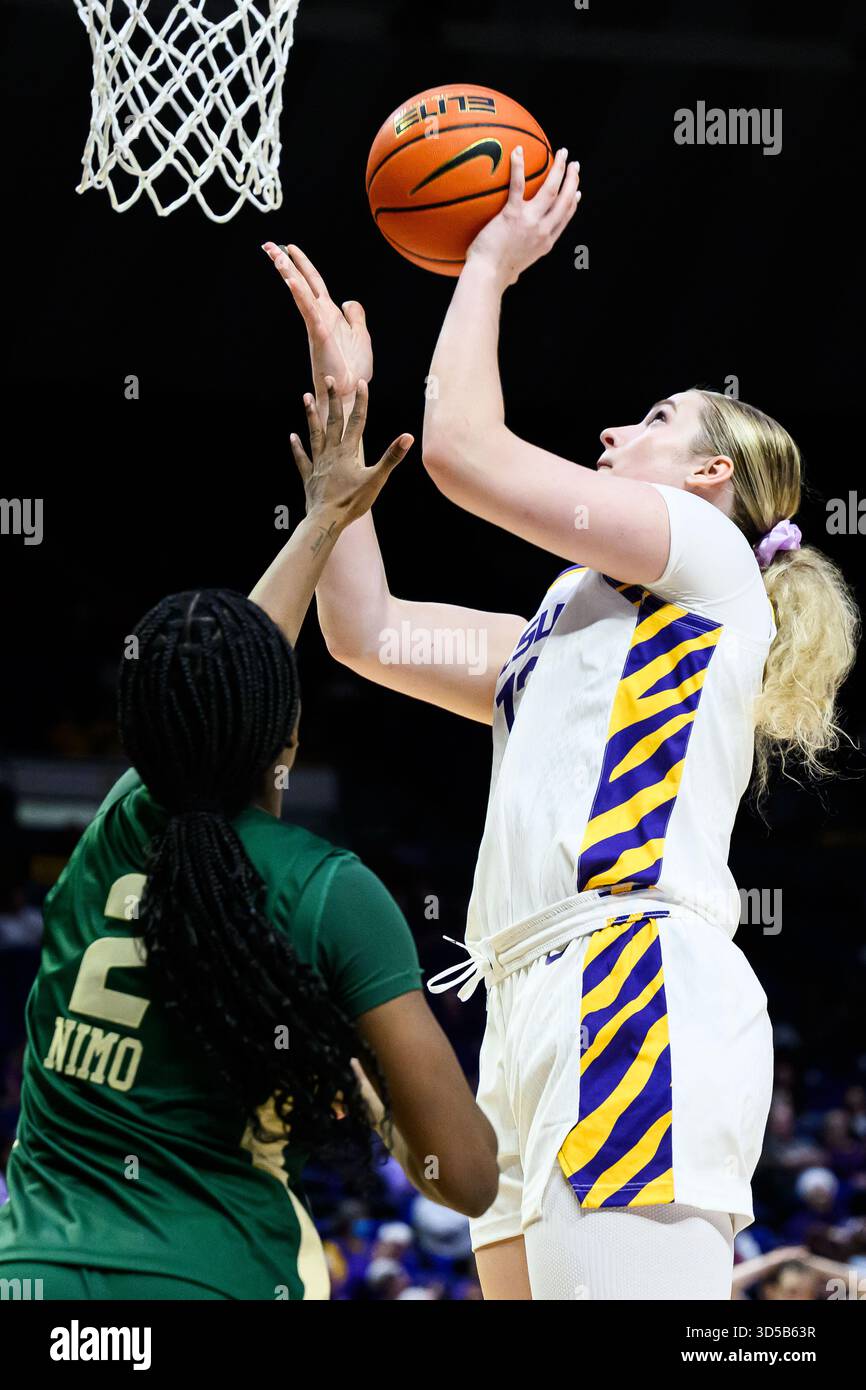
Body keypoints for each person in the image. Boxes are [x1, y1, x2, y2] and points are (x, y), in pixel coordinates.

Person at [262, 147, 858, 1300]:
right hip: (527, 994)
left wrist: (484, 263)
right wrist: (342, 449)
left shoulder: (706, 562)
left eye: (651, 420)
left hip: (631, 978)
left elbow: (463, 455)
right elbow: (370, 633)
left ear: (706, 478)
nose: (609, 435)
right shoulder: (568, 626)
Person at [0, 385, 497, 1300]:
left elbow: (222, 677)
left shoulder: (117, 823)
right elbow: (464, 1179)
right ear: (291, 739)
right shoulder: (329, 891)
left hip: (30, 1279)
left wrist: (322, 522)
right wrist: (358, 1081)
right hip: (219, 1279)